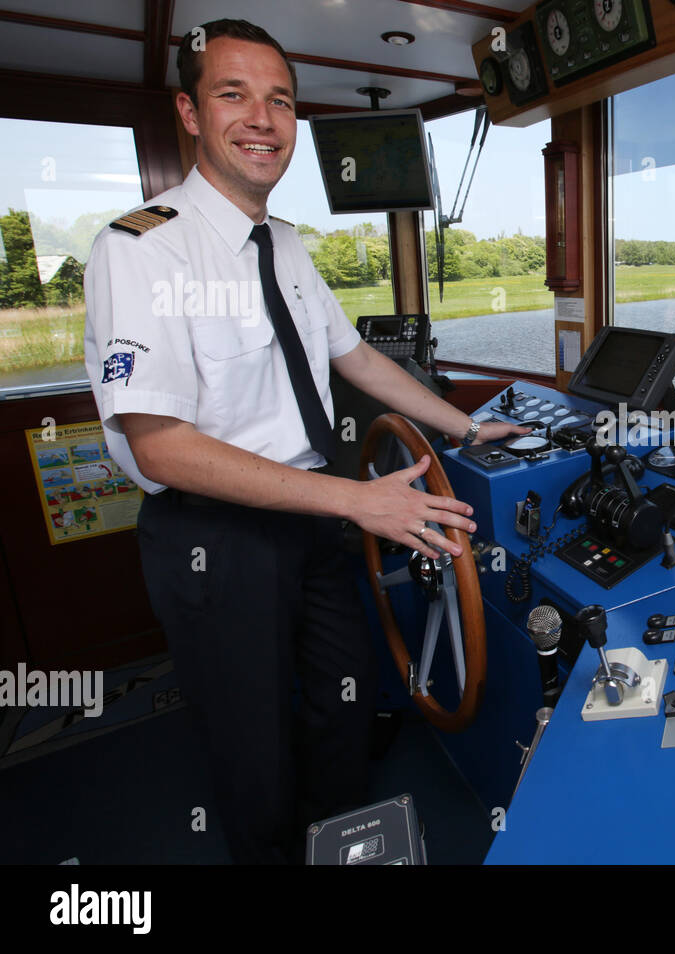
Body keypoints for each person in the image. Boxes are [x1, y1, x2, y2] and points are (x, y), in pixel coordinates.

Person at [82, 18, 527, 863]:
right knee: (251, 748)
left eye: (279, 100)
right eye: (233, 95)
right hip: (213, 532)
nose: (261, 118)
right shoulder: (141, 250)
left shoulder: (285, 243)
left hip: (315, 515)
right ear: (188, 111)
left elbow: (352, 355)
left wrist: (467, 424)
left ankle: (337, 844)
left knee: (343, 709)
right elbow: (159, 445)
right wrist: (358, 501)